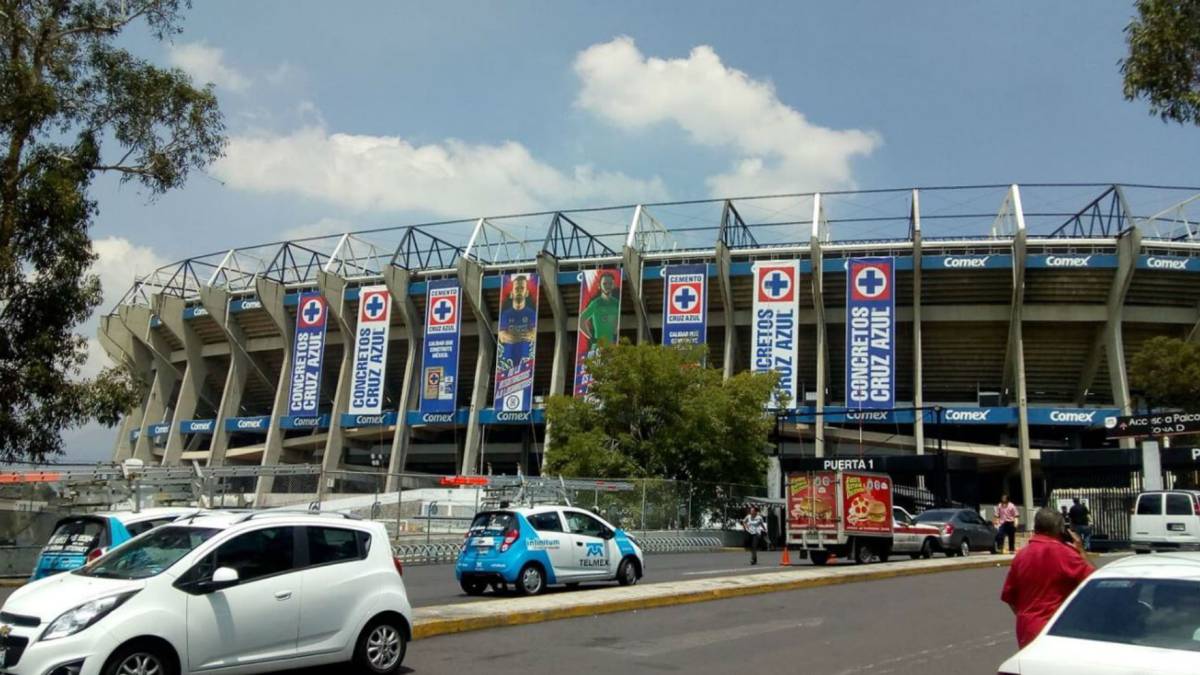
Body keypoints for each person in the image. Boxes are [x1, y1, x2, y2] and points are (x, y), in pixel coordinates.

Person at [1000, 508, 1094, 648]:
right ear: (1059, 529)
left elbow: (1010, 597)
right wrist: (1080, 550)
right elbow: (1094, 581)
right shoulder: (1065, 554)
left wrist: (1028, 616)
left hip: (1027, 629)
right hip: (1055, 630)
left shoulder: (1021, 556)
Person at [578, 271, 620, 352]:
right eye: (604, 284)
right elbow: (581, 320)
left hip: (612, 346)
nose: (607, 286)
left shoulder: (617, 303)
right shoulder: (595, 303)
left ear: (613, 285)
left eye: (610, 283)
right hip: (598, 346)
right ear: (599, 286)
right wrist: (591, 337)